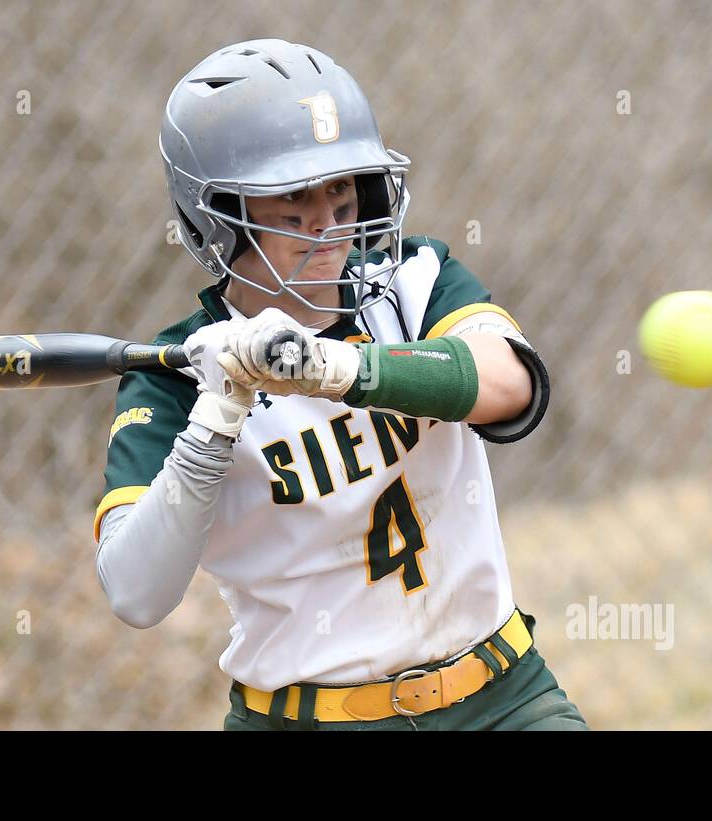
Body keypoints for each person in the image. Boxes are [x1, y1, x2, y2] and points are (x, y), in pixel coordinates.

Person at [94, 38, 587, 731]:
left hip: (502, 698)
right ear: (217, 214)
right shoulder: (177, 376)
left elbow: (511, 385)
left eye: (341, 186)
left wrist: (337, 370)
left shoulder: (413, 285)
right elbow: (136, 592)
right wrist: (218, 411)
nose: (328, 220)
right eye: (292, 196)